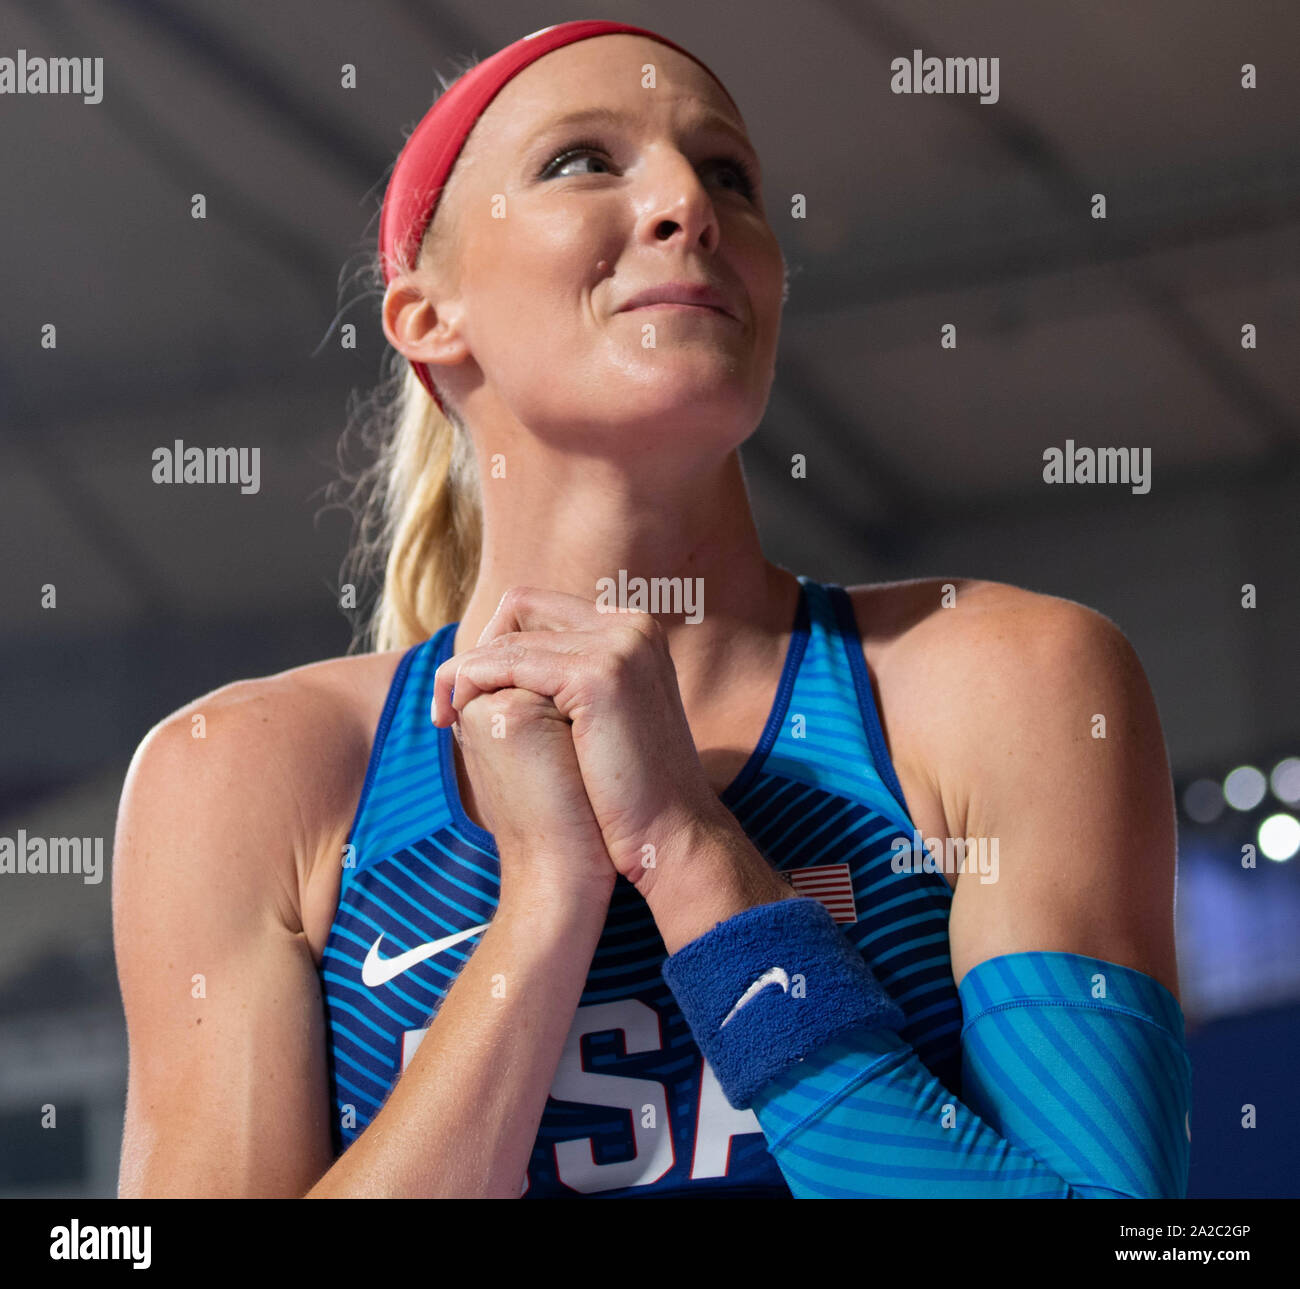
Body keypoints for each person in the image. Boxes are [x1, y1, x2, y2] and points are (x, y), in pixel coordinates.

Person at [112, 20, 1190, 1198]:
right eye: (582, 160)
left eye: (727, 174)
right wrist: (546, 900)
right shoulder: (248, 774)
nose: (689, 202)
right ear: (429, 317)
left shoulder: (1005, 679)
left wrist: (686, 849)